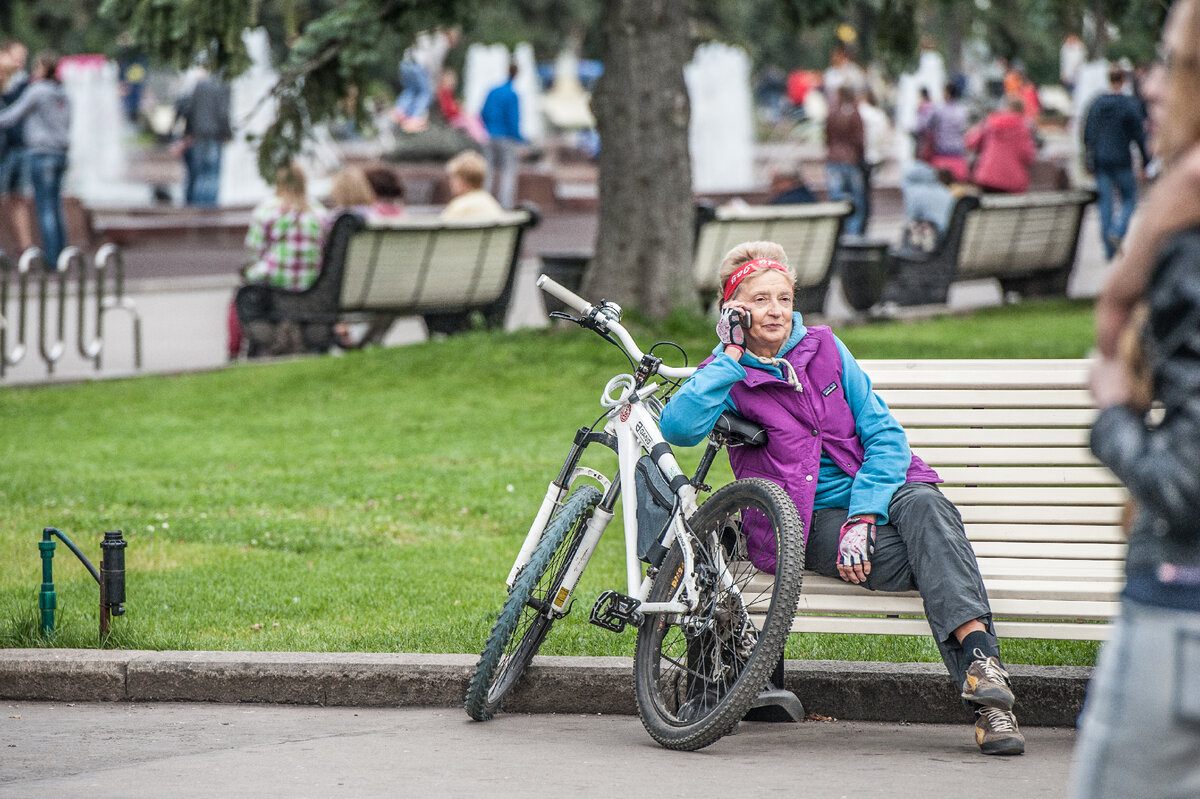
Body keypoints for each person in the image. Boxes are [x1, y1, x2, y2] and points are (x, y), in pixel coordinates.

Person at [659, 241, 1024, 756]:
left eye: (783, 298)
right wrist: (731, 356)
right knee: (935, 550)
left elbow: (887, 437)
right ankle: (992, 703)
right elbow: (677, 427)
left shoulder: (826, 348)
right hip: (805, 521)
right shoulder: (727, 374)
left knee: (928, 507)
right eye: (760, 300)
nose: (776, 311)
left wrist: (866, 513)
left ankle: (983, 674)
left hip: (882, 495)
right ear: (733, 309)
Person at [1069, 2, 1200, 794]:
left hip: (1182, 610)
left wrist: (1113, 409)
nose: (1151, 83)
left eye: (1173, 61)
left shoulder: (1190, 251)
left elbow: (1187, 482)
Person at [230, 163, 329, 359]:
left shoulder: (268, 208)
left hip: (275, 279)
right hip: (311, 282)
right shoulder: (319, 211)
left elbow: (254, 249)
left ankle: (233, 351)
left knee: (240, 294)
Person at [0, 50, 69, 268]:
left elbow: (12, 116)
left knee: (45, 208)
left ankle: (52, 260)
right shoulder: (63, 93)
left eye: (37, 66)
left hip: (42, 153)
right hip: (60, 153)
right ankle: (63, 255)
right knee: (56, 207)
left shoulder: (37, 91)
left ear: (43, 68)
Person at [1083, 68, 1150, 260]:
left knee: (1106, 201)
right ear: (1124, 80)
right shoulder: (1129, 105)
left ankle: (1109, 249)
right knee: (1129, 198)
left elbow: (1088, 134)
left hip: (1100, 159)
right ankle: (1118, 230)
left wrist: (1089, 159)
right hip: (1121, 158)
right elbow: (1139, 134)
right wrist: (1146, 162)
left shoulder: (1096, 104)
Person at [178, 69, 232, 207]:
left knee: (201, 173)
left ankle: (198, 207)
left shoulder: (200, 85)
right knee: (212, 173)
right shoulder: (223, 85)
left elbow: (190, 110)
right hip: (215, 135)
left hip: (199, 135)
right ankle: (209, 209)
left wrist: (189, 133)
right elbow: (223, 113)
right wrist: (227, 133)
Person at [392, 27, 458, 133]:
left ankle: (399, 111)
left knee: (411, 90)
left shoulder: (429, 35)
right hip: (419, 65)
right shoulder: (442, 42)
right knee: (426, 93)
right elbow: (434, 63)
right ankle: (414, 117)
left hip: (406, 63)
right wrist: (434, 82)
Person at [965, 97, 1037, 194]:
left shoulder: (990, 122)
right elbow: (1028, 156)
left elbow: (970, 141)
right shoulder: (1023, 128)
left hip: (987, 176)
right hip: (1012, 180)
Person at [480, 61, 524, 210]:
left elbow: (483, 113)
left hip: (489, 135)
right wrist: (519, 139)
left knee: (489, 171)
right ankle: (505, 207)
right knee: (508, 172)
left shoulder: (493, 90)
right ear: (517, 73)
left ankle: (482, 204)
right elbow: (513, 119)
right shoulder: (512, 94)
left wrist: (488, 128)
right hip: (506, 137)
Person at [823, 84, 866, 234]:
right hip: (850, 160)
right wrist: (861, 158)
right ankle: (853, 235)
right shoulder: (855, 113)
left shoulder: (832, 112)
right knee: (856, 201)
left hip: (833, 161)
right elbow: (860, 141)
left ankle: (837, 233)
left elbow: (827, 137)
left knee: (836, 199)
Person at [916, 82, 970, 182]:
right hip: (958, 151)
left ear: (947, 93)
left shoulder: (938, 109)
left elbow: (924, 126)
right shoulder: (963, 111)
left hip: (941, 151)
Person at [857, 88, 892, 228]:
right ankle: (865, 221)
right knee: (866, 191)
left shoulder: (858, 112)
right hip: (874, 156)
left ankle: (858, 223)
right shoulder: (879, 115)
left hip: (860, 156)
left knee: (858, 192)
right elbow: (884, 137)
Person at [441, 150, 504, 220]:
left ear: (462, 181)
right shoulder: (491, 202)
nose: (450, 183)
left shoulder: (459, 206)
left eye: (454, 179)